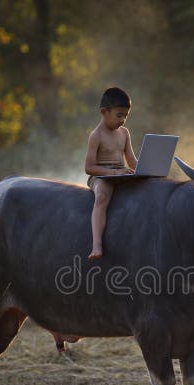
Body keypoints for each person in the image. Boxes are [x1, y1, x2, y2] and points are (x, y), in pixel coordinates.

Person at [84, 87, 138, 259]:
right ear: (104, 112)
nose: (123, 120)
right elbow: (89, 167)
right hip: (101, 176)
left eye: (126, 116)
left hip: (121, 173)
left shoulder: (124, 133)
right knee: (102, 197)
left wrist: (145, 171)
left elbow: (131, 159)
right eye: (119, 115)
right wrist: (112, 173)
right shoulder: (96, 135)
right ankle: (97, 245)